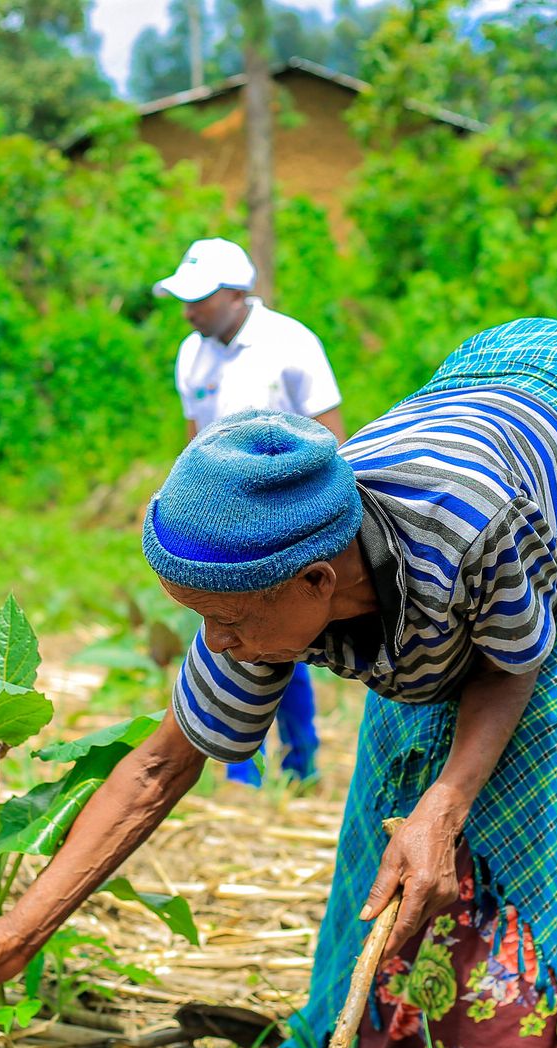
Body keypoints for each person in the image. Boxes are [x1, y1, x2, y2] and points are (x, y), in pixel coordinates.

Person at [0, 319, 557, 1048]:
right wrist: (18, 931)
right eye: (201, 616)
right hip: (499, 373)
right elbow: (161, 766)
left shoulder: (465, 530)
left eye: (231, 622)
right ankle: (385, 1039)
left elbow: (510, 663)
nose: (218, 641)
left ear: (319, 582)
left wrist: (448, 808)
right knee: (408, 744)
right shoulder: (259, 570)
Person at [153, 237, 343, 785]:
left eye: (201, 300)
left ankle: (300, 763)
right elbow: (193, 447)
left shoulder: (290, 344)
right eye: (185, 300)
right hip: (218, 533)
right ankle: (244, 773)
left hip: (284, 525)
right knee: (233, 639)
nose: (189, 312)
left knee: (286, 642)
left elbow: (331, 438)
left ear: (238, 294)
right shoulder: (192, 353)